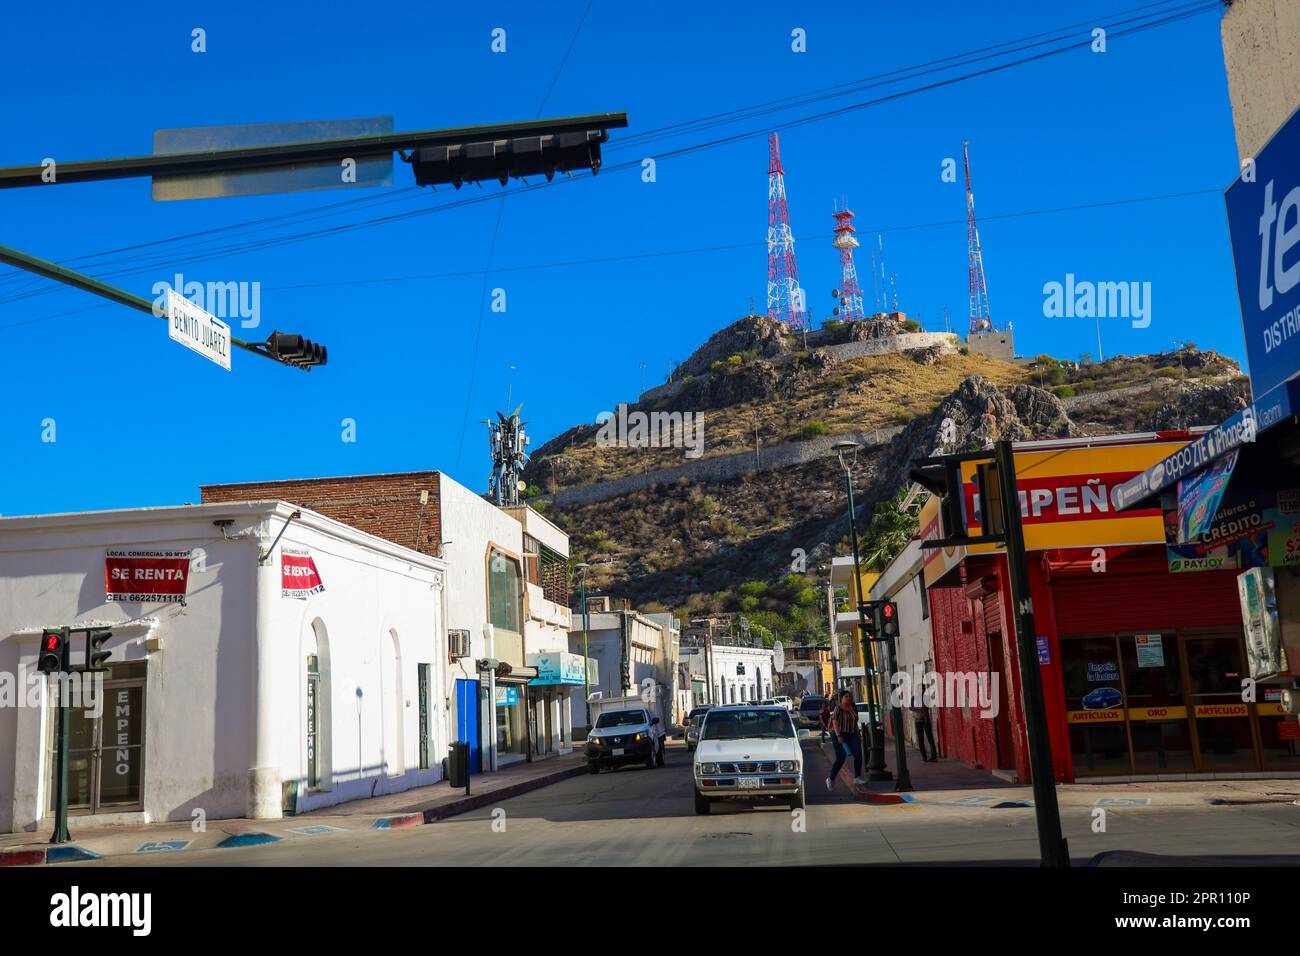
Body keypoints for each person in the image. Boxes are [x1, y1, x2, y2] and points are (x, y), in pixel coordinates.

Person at [826, 691, 863, 790]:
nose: (848, 698)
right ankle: (831, 779)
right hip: (839, 734)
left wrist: (858, 734)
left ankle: (857, 777)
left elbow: (854, 721)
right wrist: (838, 736)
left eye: (850, 696)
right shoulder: (838, 708)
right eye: (846, 696)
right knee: (841, 758)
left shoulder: (853, 707)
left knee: (858, 755)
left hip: (852, 734)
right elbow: (834, 722)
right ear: (841, 698)